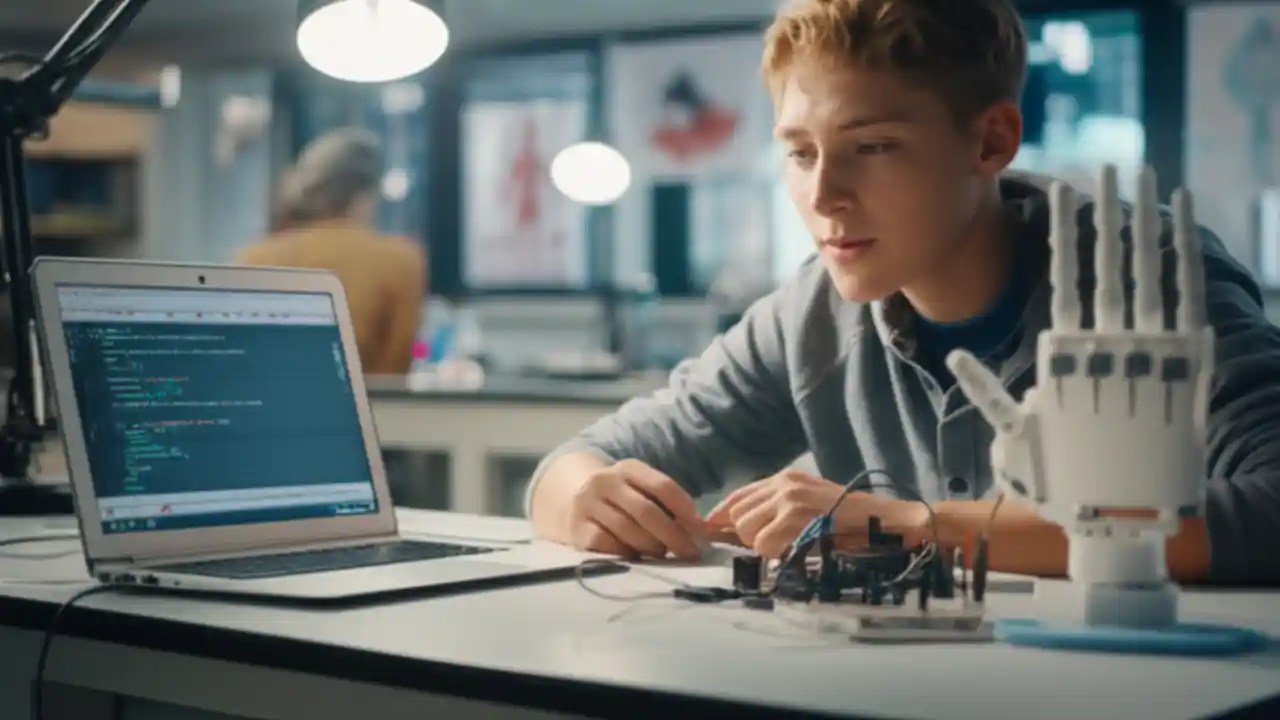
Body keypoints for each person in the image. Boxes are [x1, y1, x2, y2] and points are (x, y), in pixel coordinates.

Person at [526, 0, 1280, 585]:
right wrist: (588, 498)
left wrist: (912, 525)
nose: (824, 196)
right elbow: (577, 463)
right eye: (799, 152)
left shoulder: (1141, 274)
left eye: (874, 147)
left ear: (991, 141)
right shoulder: (812, 314)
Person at [237, 128, 427, 375]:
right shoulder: (400, 261)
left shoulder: (254, 259)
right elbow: (396, 370)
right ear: (367, 193)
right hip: (369, 410)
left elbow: (243, 359)